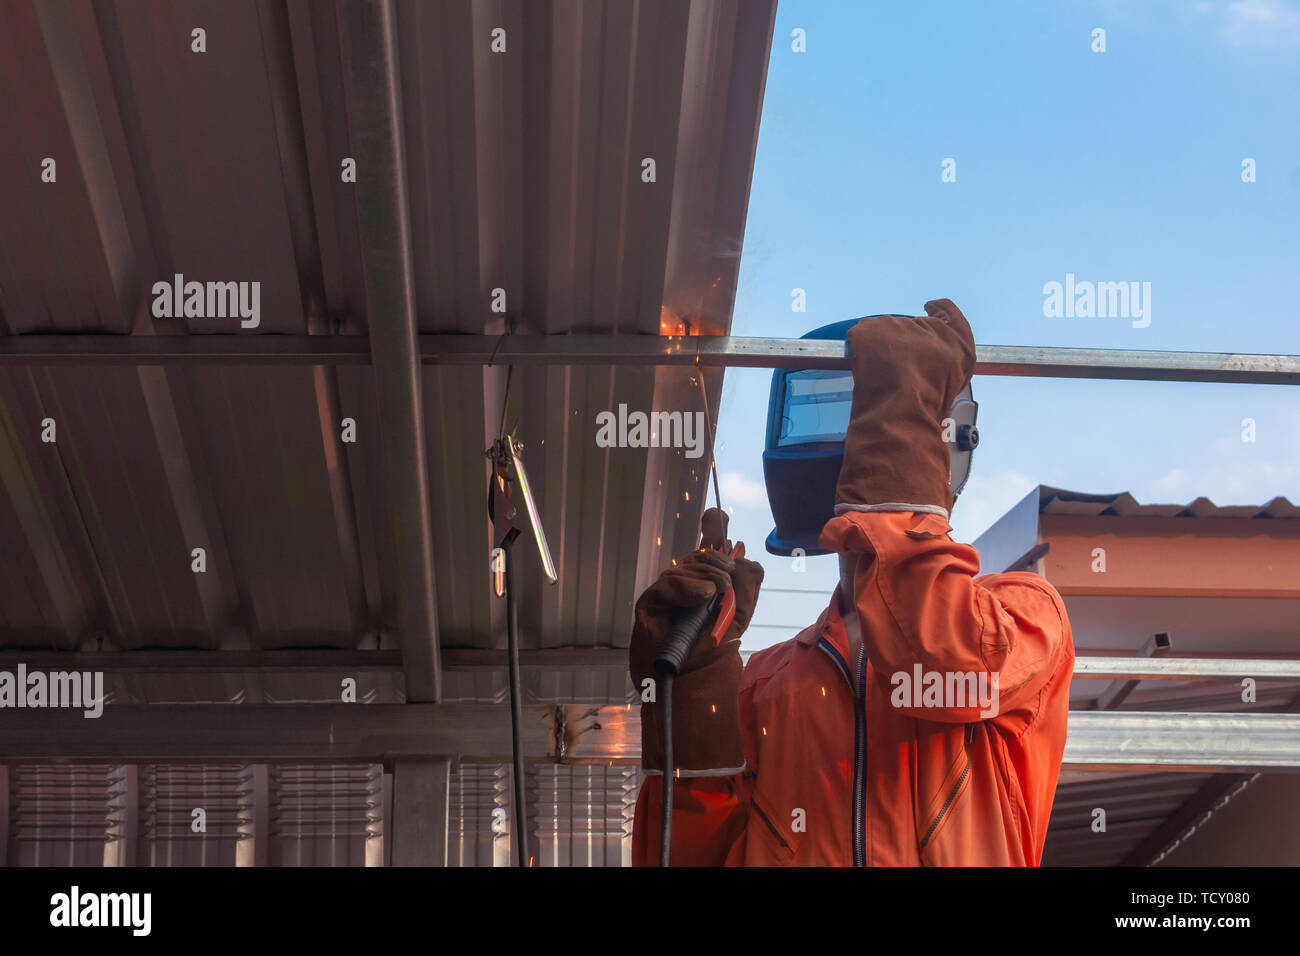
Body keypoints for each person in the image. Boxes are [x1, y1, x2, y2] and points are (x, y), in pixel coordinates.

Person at [629, 299, 1075, 866]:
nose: (864, 438)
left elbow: (941, 655)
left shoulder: (1025, 618)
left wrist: (895, 494)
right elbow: (693, 857)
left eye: (881, 418)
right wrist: (690, 699)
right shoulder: (762, 684)